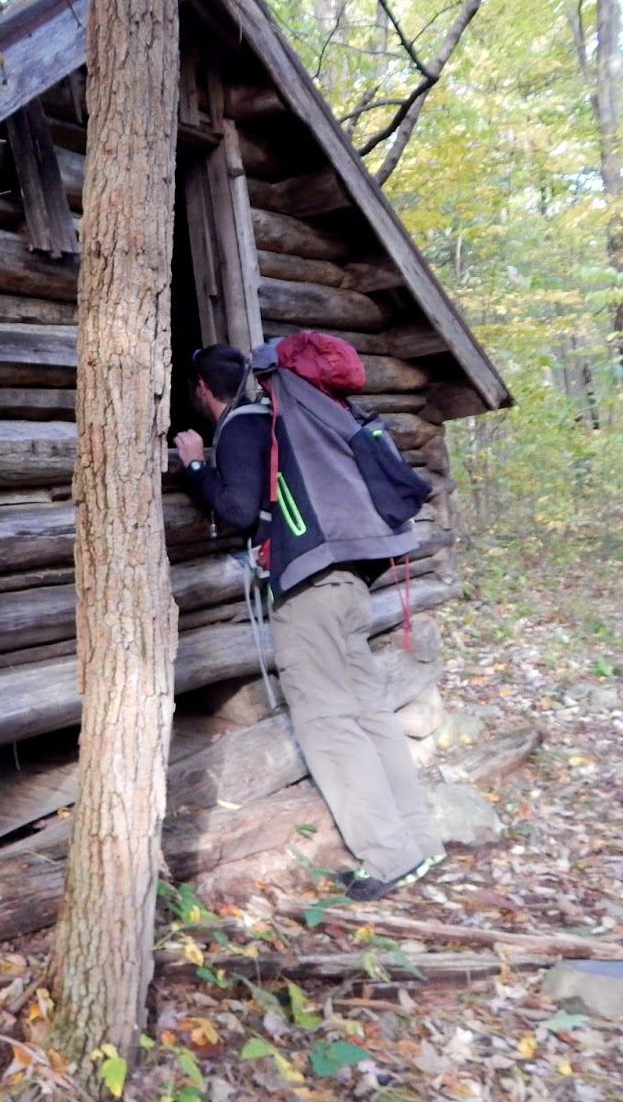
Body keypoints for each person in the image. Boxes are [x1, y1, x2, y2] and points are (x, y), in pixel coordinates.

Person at [175, 343, 445, 901]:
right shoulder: (295, 417)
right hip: (349, 584)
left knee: (330, 725)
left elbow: (238, 510)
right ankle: (421, 840)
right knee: (369, 714)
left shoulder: (246, 423)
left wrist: (197, 462)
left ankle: (390, 857)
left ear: (202, 389)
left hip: (308, 593)